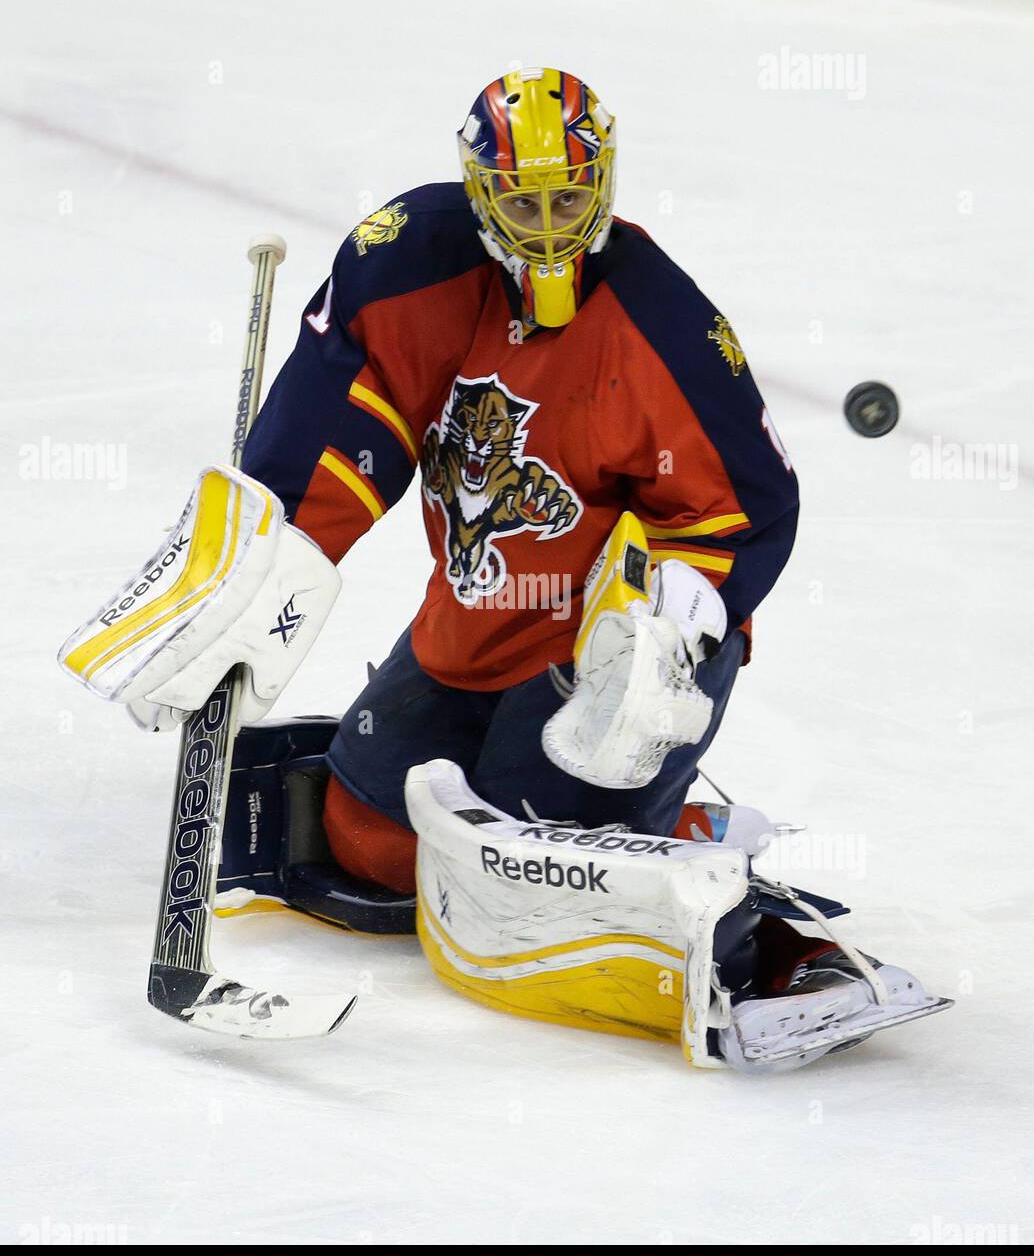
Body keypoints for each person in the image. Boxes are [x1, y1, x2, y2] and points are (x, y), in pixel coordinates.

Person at [60, 68, 951, 1070]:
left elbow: (749, 507)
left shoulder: (661, 323)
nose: (547, 227)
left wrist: (678, 630)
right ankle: (623, 796)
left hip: (604, 651)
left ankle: (685, 821)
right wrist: (259, 557)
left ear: (603, 186)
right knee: (372, 845)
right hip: (475, 613)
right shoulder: (404, 267)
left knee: (508, 884)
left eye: (569, 199)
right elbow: (332, 419)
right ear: (477, 187)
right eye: (520, 201)